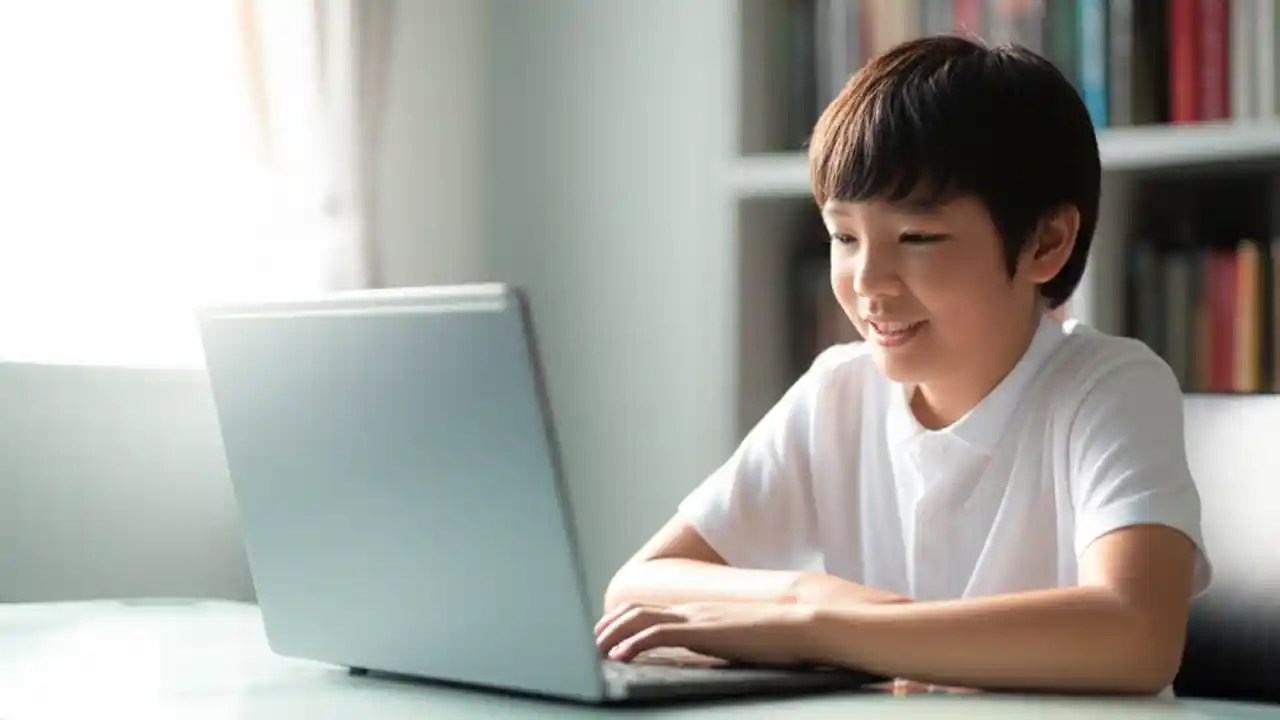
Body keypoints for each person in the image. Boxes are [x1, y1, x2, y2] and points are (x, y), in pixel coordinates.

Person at [593, 36, 1210, 696]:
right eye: (845, 237)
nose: (868, 282)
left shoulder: (1110, 387)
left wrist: (816, 630)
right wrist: (813, 598)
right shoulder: (839, 391)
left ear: (1046, 242)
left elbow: (1136, 635)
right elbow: (640, 585)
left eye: (917, 237)